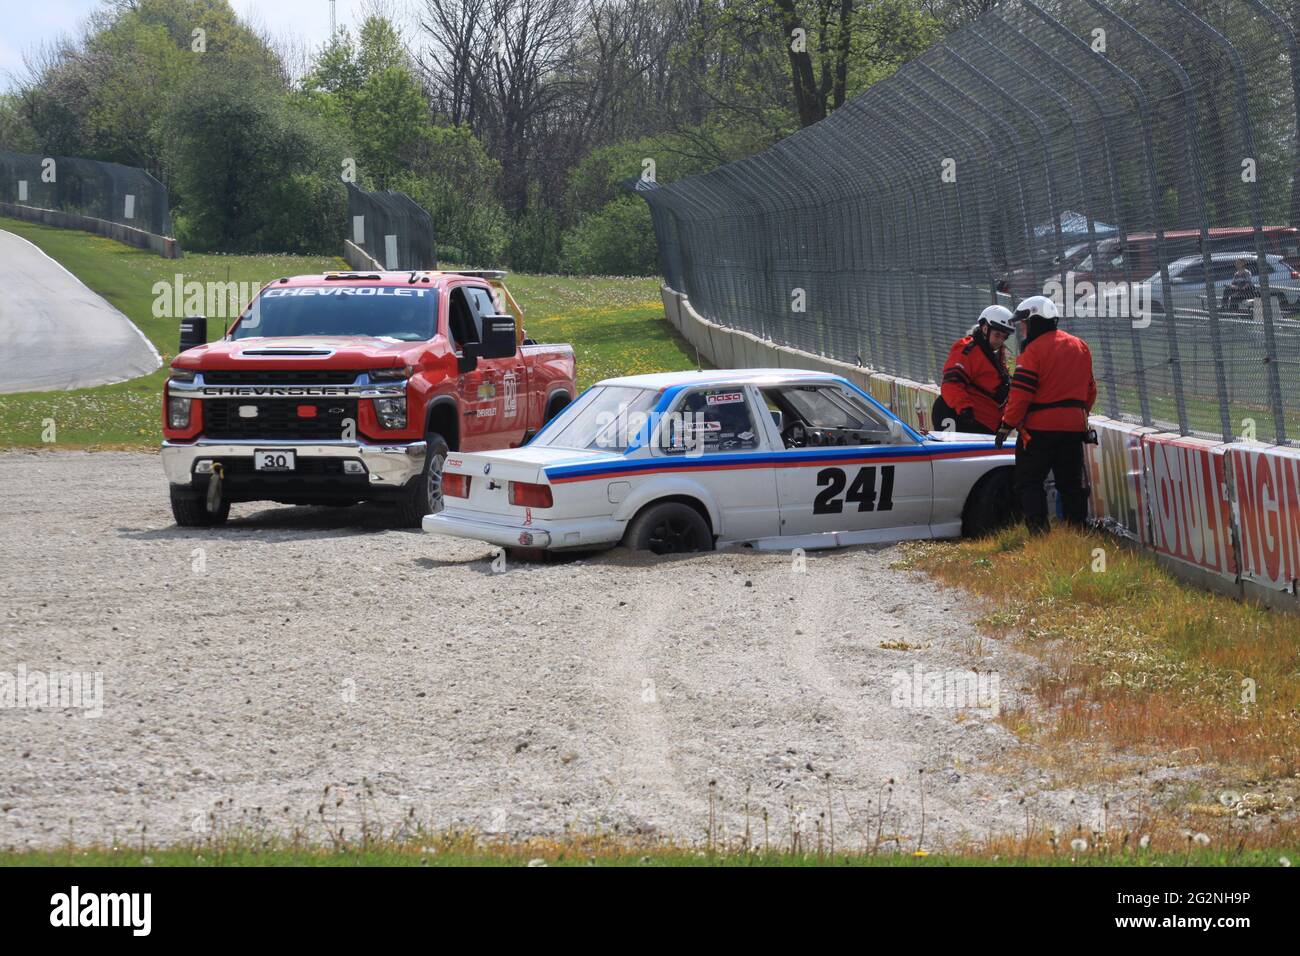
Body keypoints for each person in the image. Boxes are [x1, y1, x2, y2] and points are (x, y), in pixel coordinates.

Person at [995, 295, 1097, 535]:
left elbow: (1021, 395)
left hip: (1038, 432)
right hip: (1073, 429)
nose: (1022, 329)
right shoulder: (1080, 346)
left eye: (1024, 324)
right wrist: (1075, 414)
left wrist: (1006, 426)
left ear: (1035, 321)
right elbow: (1090, 390)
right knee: (1071, 485)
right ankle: (1077, 533)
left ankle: (1040, 535)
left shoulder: (1033, 352)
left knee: (1029, 482)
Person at [931, 305, 1014, 435]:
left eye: (1004, 337)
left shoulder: (997, 354)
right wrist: (964, 409)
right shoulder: (967, 350)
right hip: (960, 417)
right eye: (997, 335)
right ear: (985, 328)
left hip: (986, 422)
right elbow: (951, 384)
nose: (1000, 340)